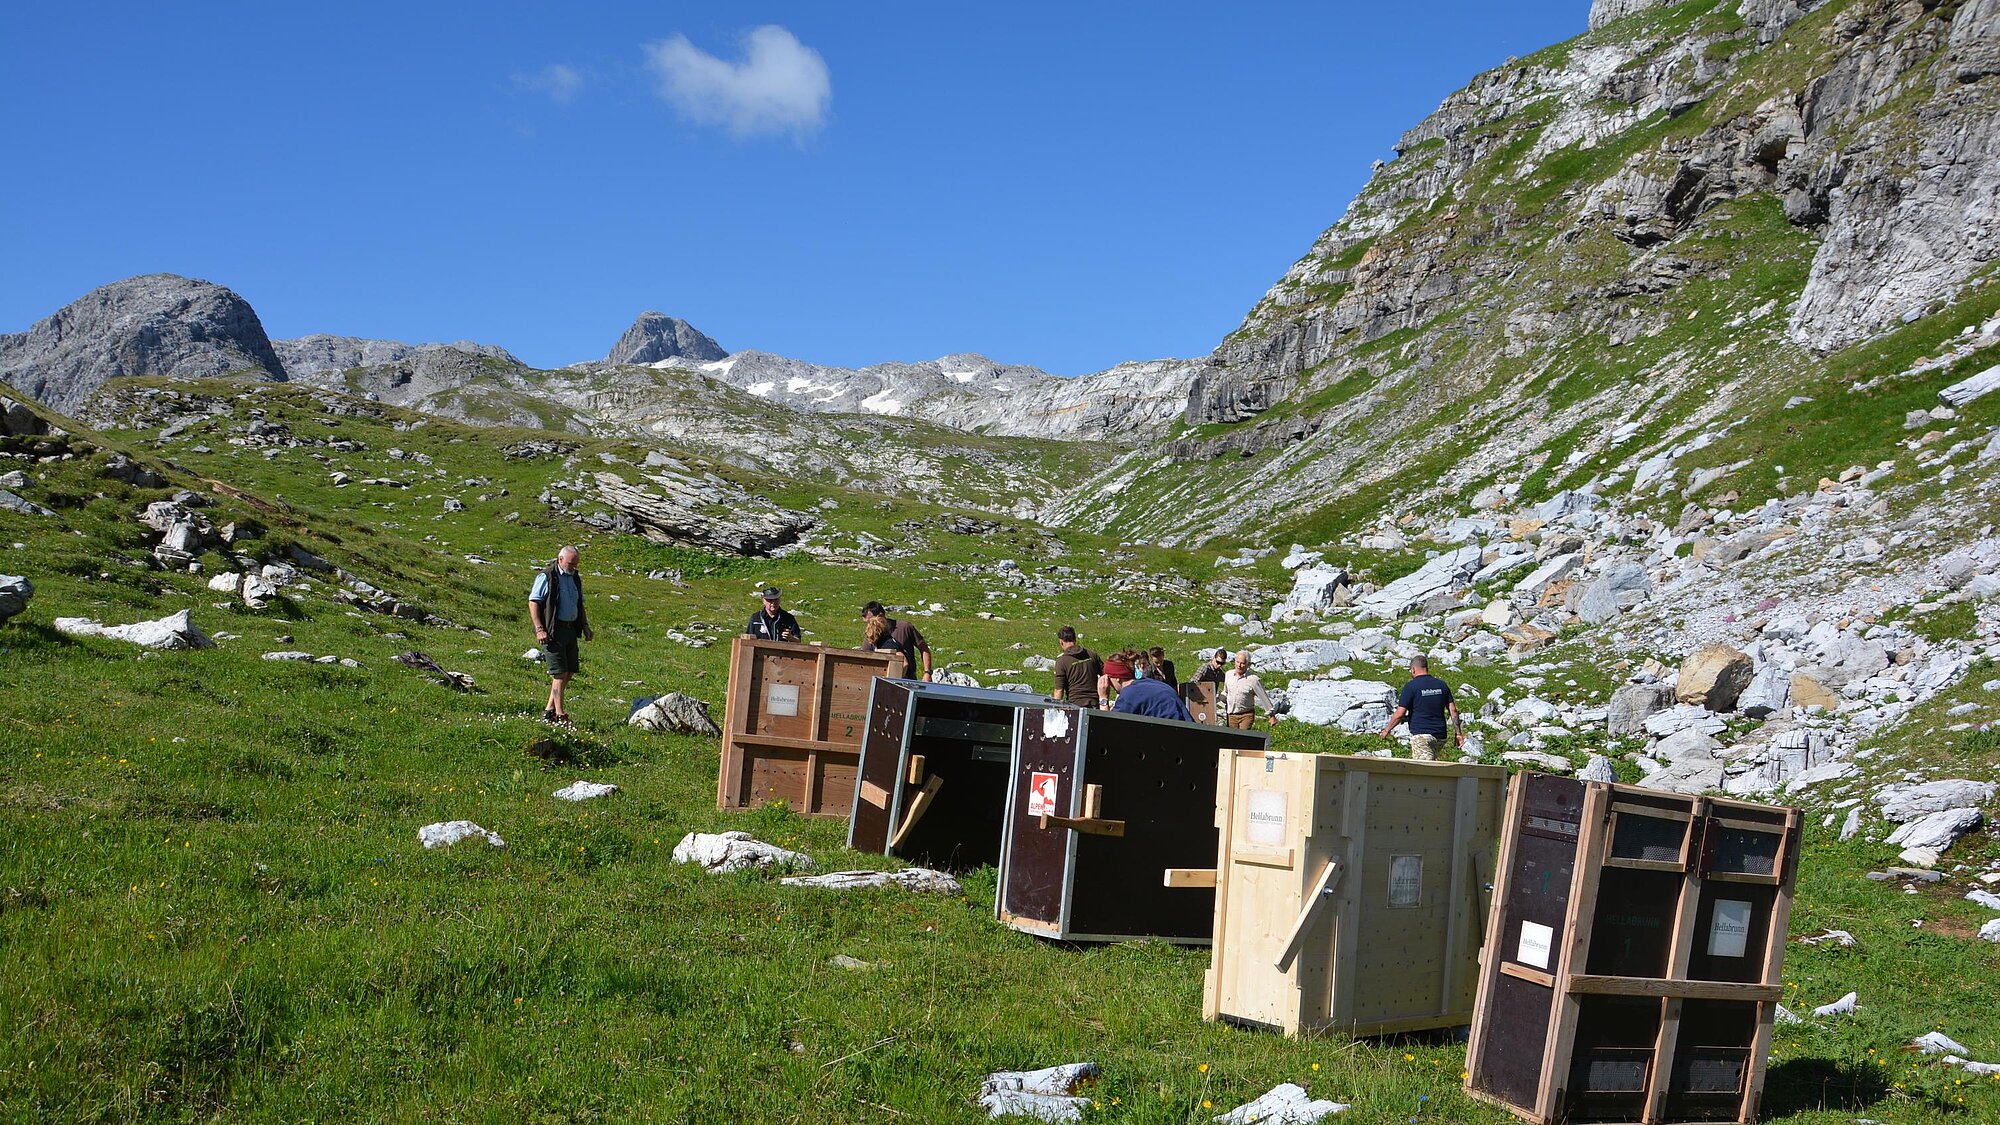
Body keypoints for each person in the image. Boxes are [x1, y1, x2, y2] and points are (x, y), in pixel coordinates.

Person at [528, 545, 592, 725]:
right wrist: (540, 628)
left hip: (571, 630)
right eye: (571, 564)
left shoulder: (575, 578)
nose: (573, 568)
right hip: (553, 631)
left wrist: (585, 626)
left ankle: (549, 710)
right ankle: (560, 715)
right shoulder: (547, 576)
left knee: (569, 670)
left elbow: (580, 604)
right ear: (560, 559)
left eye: (575, 564)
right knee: (559, 673)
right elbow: (533, 602)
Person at [1380, 655, 1462, 760]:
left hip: (1422, 735)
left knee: (1423, 770)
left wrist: (1387, 730)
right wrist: (1458, 733)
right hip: (1441, 736)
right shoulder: (1442, 685)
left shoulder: (1411, 686)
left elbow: (1400, 714)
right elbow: (1453, 711)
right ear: (1426, 668)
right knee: (1431, 765)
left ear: (1413, 669)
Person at [862, 600, 931, 682]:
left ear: (880, 616)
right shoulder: (871, 638)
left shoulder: (904, 628)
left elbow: (922, 649)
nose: (868, 626)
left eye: (870, 622)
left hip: (904, 681)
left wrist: (927, 673)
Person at [1109, 655, 1193, 721]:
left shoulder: (1129, 693)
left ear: (1117, 678)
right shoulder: (1152, 684)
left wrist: (1103, 700)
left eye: (1109, 678)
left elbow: (1110, 728)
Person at [1050, 626, 1103, 708]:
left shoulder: (1061, 661)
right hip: (1094, 703)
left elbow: (1059, 690)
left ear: (1061, 642)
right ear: (1075, 639)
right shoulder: (1092, 654)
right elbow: (1106, 675)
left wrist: (1056, 709)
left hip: (1075, 705)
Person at [1222, 650, 1275, 729]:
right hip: (1231, 715)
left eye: (1242, 663)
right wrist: (1216, 700)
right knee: (1232, 738)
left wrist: (1272, 715)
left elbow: (1263, 697)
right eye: (1237, 662)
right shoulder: (1228, 675)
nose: (1239, 665)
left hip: (1246, 715)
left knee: (1243, 737)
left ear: (1247, 665)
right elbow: (1225, 692)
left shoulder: (1253, 680)